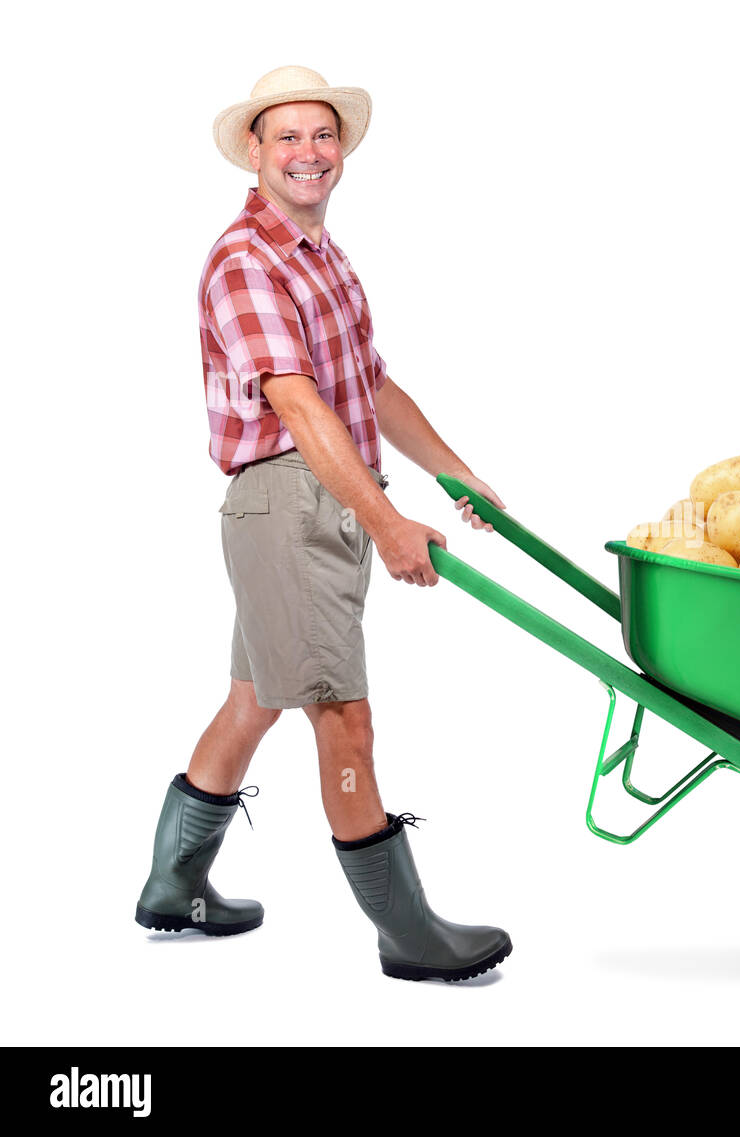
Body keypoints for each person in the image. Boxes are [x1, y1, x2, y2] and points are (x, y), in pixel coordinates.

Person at [134, 66, 512, 983]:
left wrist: (454, 471)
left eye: (322, 136)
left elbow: (368, 386)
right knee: (343, 715)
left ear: (340, 150)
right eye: (288, 138)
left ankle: (172, 887)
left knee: (256, 696)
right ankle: (407, 931)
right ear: (255, 153)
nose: (309, 154)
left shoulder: (320, 253)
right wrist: (386, 521)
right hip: (290, 499)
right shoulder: (245, 261)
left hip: (317, 494)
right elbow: (299, 405)